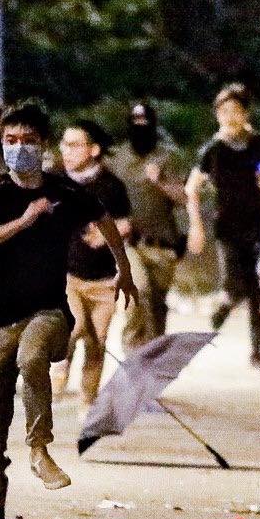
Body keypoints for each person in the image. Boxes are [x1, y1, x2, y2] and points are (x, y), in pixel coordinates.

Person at [0, 101, 137, 519]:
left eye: (28, 140)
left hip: (49, 309)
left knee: (33, 356)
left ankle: (40, 449)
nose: (18, 148)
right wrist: (22, 222)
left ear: (43, 145)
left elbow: (105, 220)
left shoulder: (64, 191)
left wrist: (124, 269)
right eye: (10, 140)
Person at [186, 84, 260, 370]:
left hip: (255, 224)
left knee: (257, 288)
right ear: (217, 115)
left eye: (235, 110)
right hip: (226, 226)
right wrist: (196, 225)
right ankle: (224, 305)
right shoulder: (213, 150)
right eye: (224, 111)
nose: (230, 117)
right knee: (233, 284)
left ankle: (256, 352)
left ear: (245, 113)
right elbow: (192, 187)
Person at [52, 119, 133, 407]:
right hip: (67, 275)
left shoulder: (112, 186)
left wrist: (107, 234)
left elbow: (125, 223)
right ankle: (58, 369)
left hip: (104, 280)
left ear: (94, 150)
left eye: (74, 145)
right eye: (64, 144)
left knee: (97, 342)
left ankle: (88, 402)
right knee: (73, 326)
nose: (67, 151)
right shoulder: (54, 181)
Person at [109, 102, 187, 349]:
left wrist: (161, 181)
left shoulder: (168, 157)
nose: (140, 127)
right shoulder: (117, 158)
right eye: (135, 122)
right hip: (128, 244)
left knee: (156, 307)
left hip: (162, 246)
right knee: (137, 291)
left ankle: (152, 357)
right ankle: (132, 355)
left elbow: (186, 198)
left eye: (145, 123)